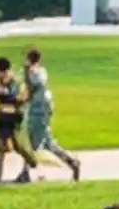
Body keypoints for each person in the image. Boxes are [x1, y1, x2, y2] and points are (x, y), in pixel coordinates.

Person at [23, 48, 81, 181]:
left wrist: (27, 75)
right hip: (41, 109)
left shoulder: (34, 73)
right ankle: (71, 162)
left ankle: (25, 173)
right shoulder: (42, 71)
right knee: (48, 144)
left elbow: (33, 88)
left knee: (32, 144)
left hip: (38, 111)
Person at [0, 56, 38, 184]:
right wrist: (3, 95)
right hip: (2, 115)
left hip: (13, 117)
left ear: (1, 69)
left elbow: (20, 98)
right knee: (0, 146)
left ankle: (32, 162)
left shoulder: (15, 81)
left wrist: (5, 96)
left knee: (18, 146)